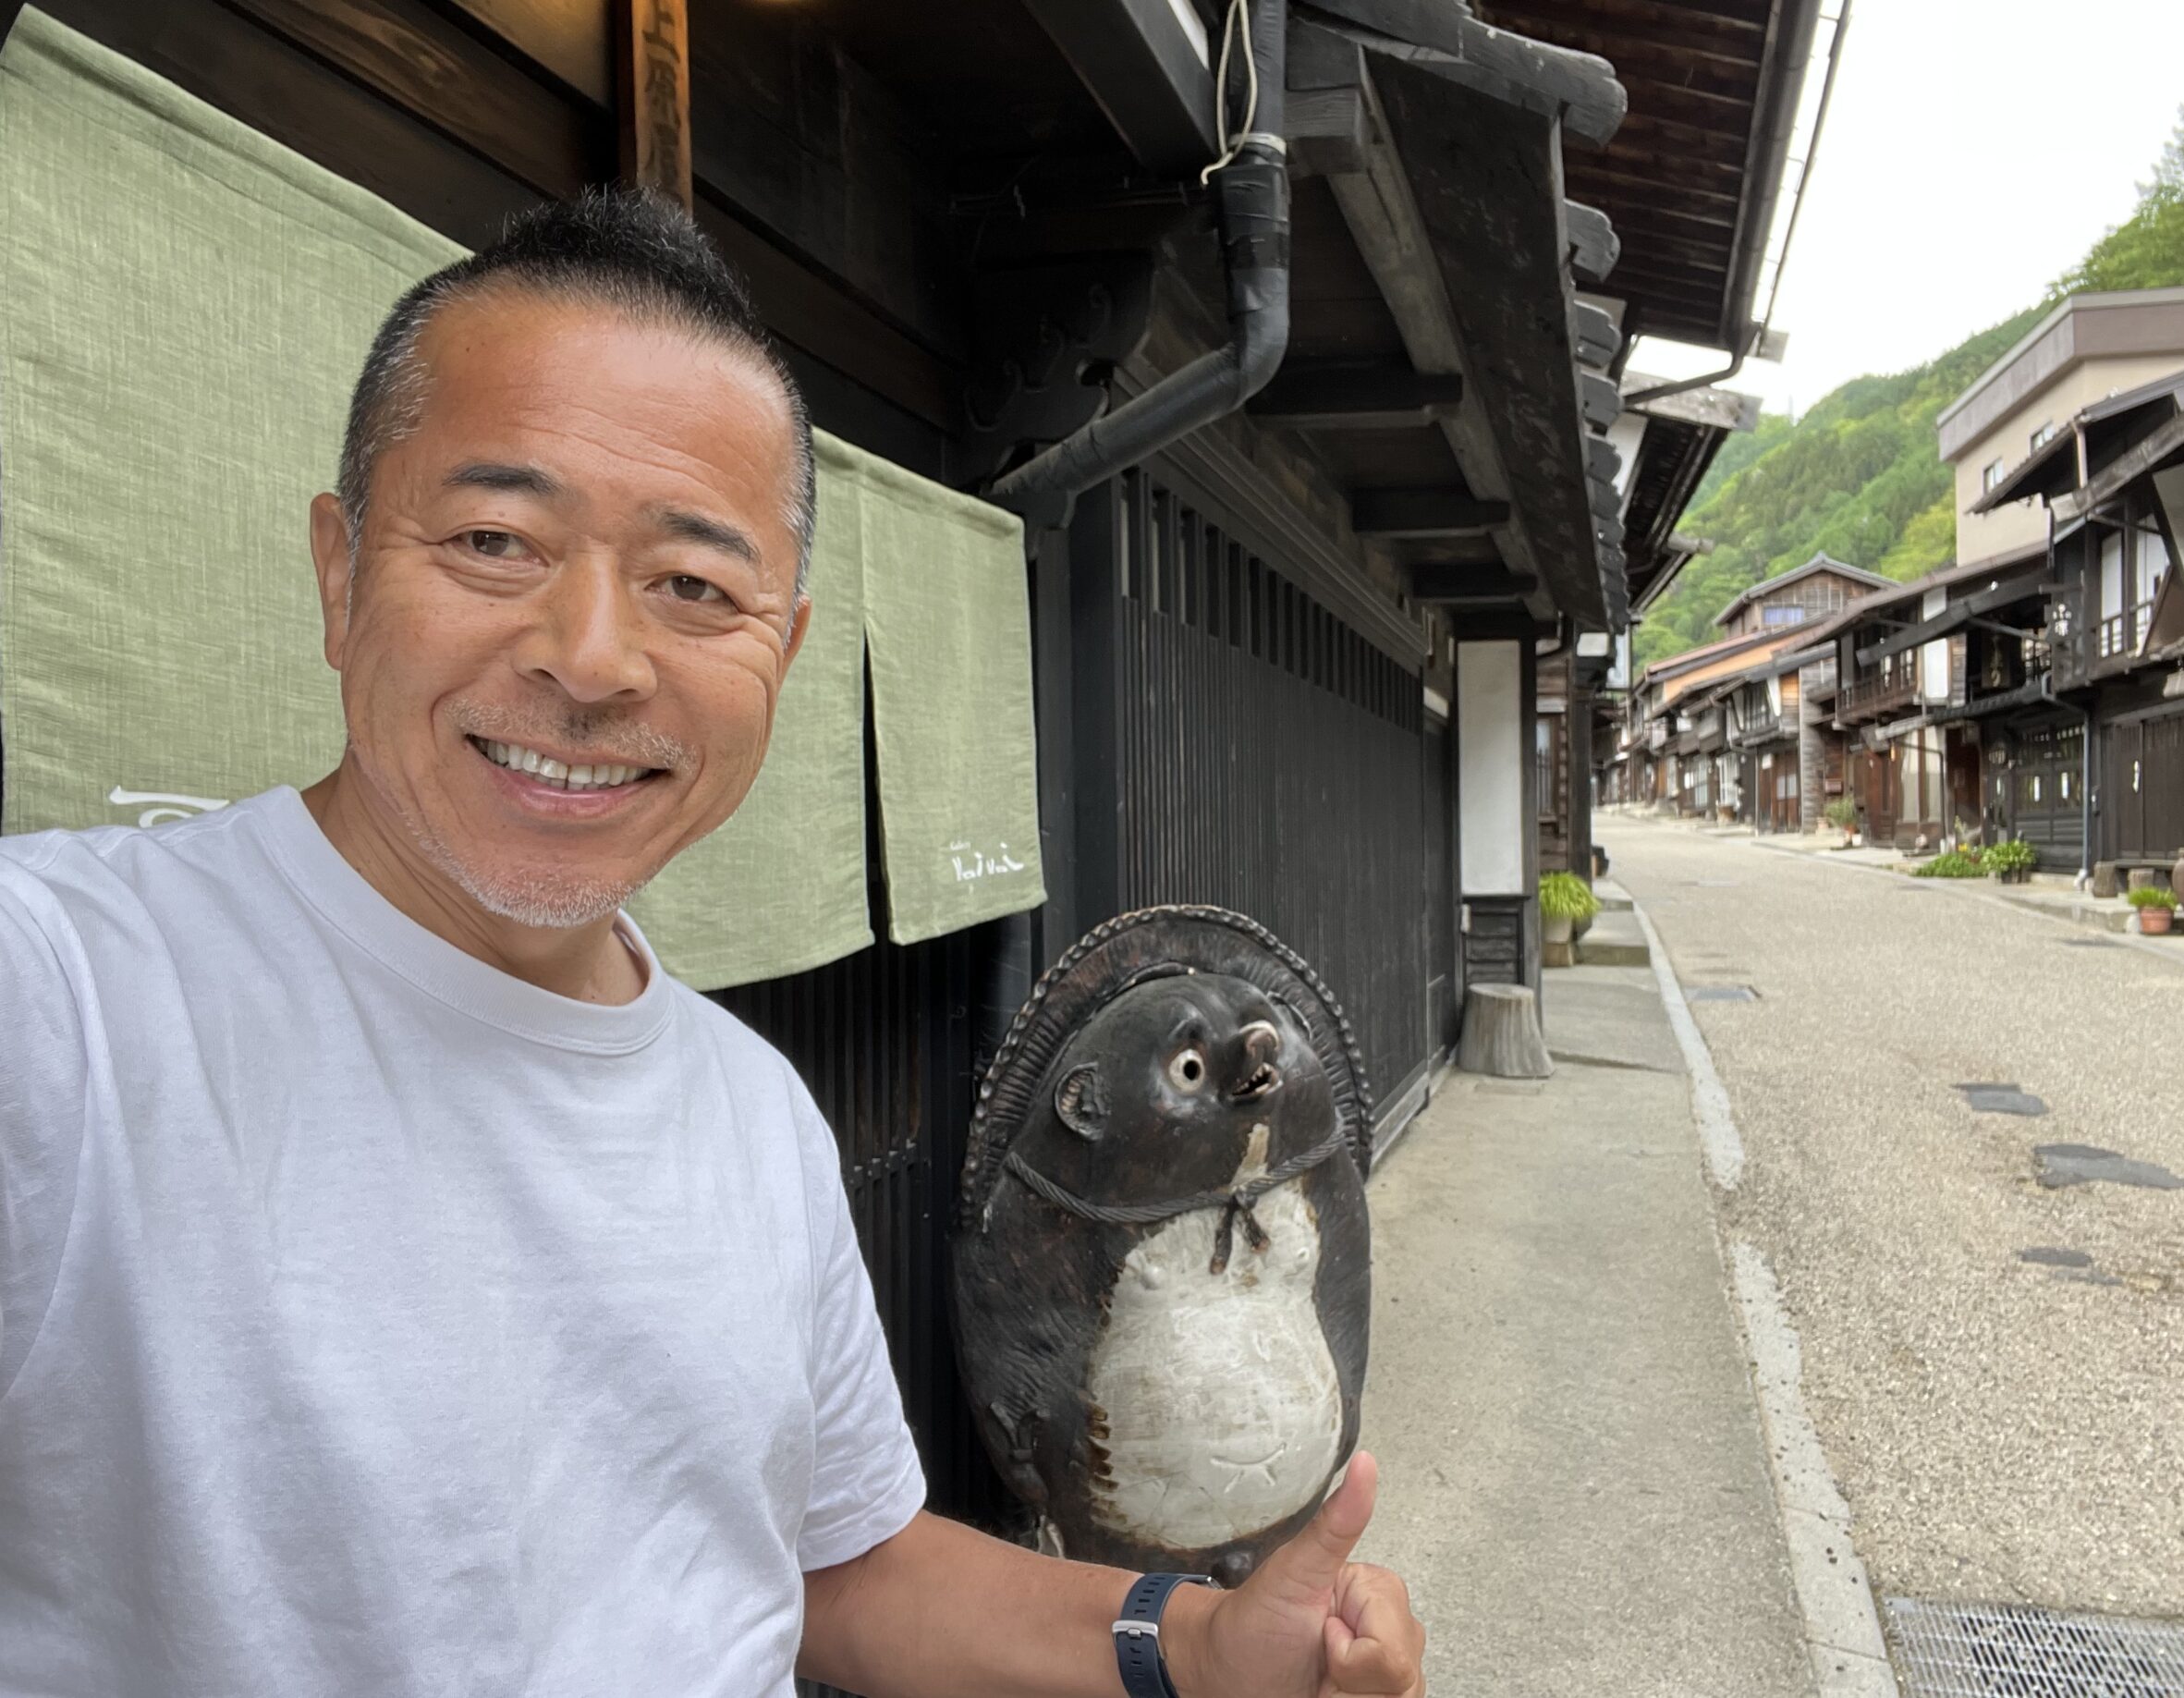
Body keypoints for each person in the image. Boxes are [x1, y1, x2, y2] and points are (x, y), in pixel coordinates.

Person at [0, 188, 1425, 1698]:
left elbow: (838, 1565)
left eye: (693, 583)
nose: (594, 658)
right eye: (496, 537)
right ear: (342, 573)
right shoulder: (68, 998)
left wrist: (1194, 1641)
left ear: (785, 651)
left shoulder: (751, 1115)